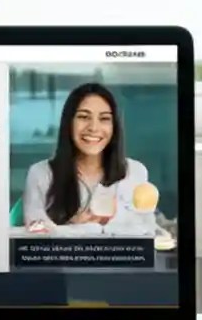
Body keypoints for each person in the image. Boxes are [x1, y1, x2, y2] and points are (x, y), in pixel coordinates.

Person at [21, 82, 154, 235]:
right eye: (84, 117)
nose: (93, 128)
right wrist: (71, 226)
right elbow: (34, 232)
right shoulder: (41, 173)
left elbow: (146, 230)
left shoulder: (134, 172)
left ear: (114, 126)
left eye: (104, 119)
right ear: (69, 122)